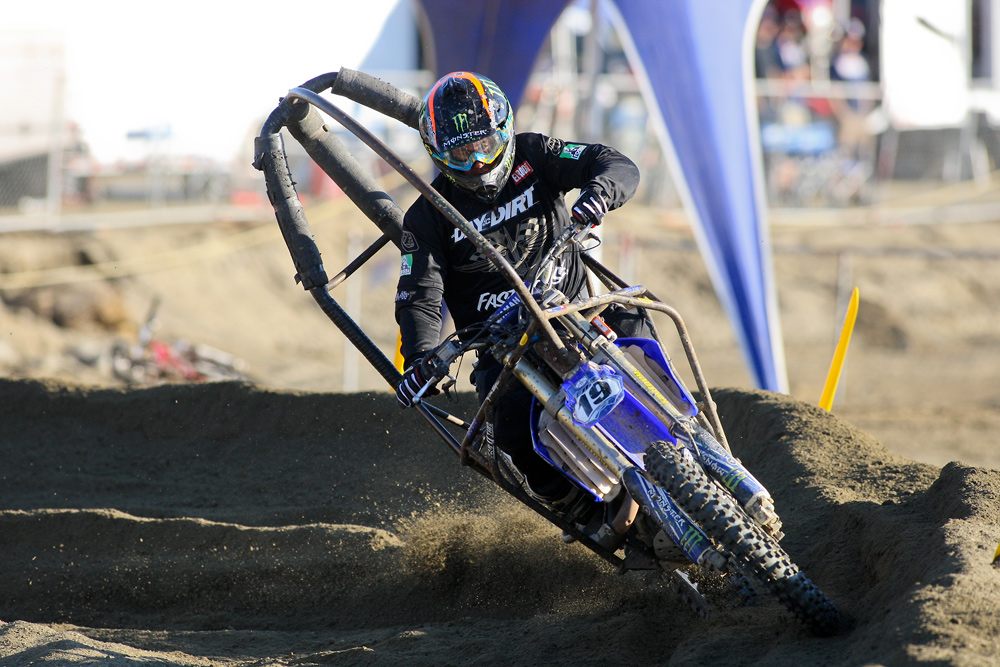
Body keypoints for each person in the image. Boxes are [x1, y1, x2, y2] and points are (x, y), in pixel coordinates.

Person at [393, 71, 642, 534]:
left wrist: (598, 195)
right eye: (462, 155)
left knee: (634, 316)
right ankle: (580, 511)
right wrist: (422, 358)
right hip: (503, 346)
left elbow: (613, 163)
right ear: (437, 155)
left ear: (504, 128)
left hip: (572, 306)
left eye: (485, 145)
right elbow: (419, 297)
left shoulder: (534, 152)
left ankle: (687, 430)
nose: (480, 164)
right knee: (508, 432)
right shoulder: (426, 214)